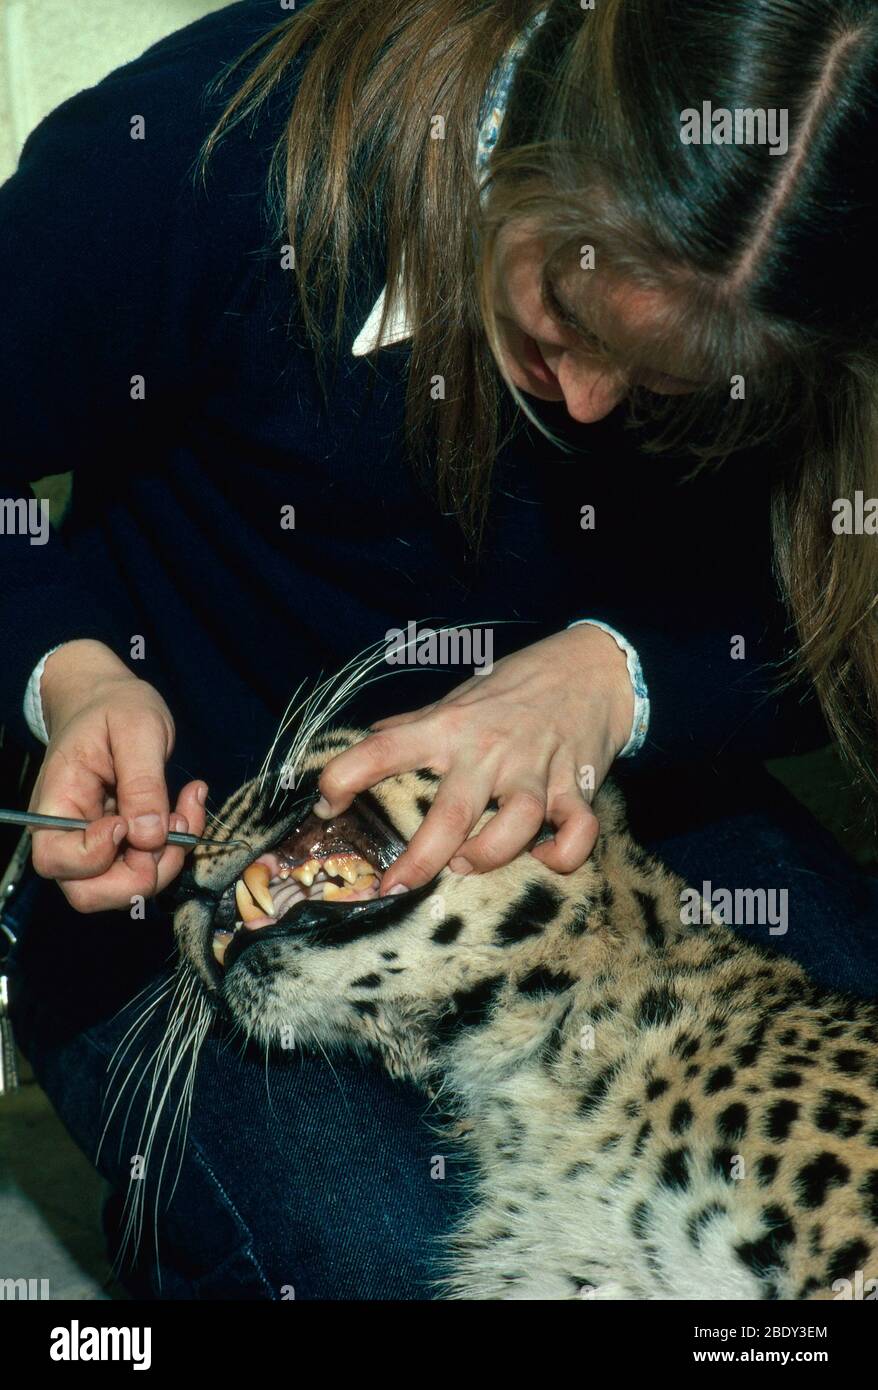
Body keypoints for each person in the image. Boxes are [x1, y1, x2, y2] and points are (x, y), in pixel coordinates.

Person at [2, 0, 876, 1298]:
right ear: (537, 148)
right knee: (401, 1266)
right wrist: (71, 671)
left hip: (632, 827)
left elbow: (831, 607)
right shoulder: (213, 144)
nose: (584, 405)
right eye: (563, 313)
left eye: (671, 383)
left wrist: (616, 677)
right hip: (218, 851)